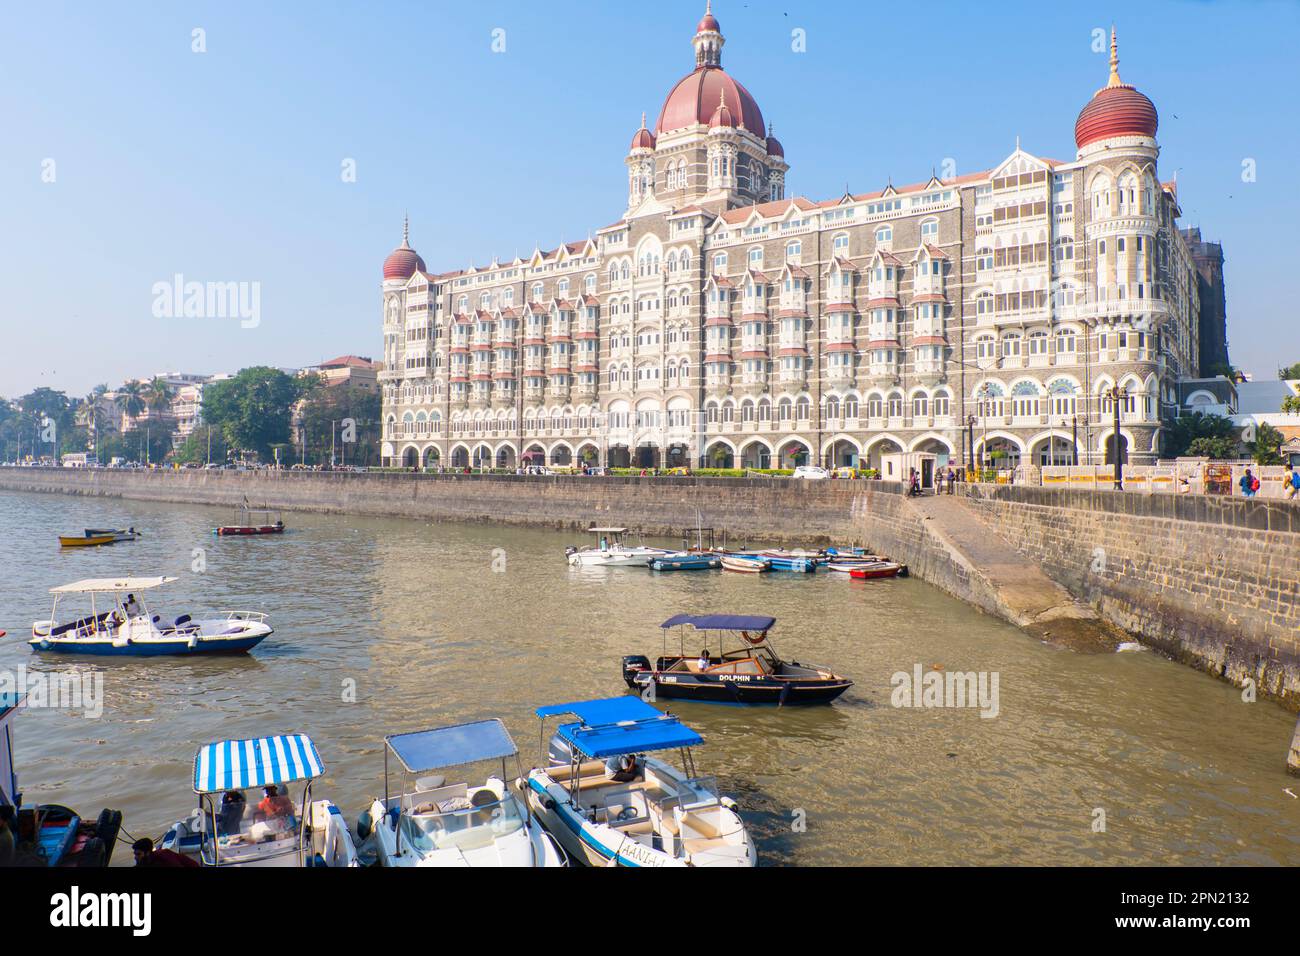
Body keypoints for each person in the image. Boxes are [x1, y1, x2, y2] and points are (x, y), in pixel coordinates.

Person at [133, 837, 199, 867]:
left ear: (147, 853)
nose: (135, 857)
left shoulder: (164, 856)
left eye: (138, 854)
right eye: (135, 854)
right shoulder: (143, 860)